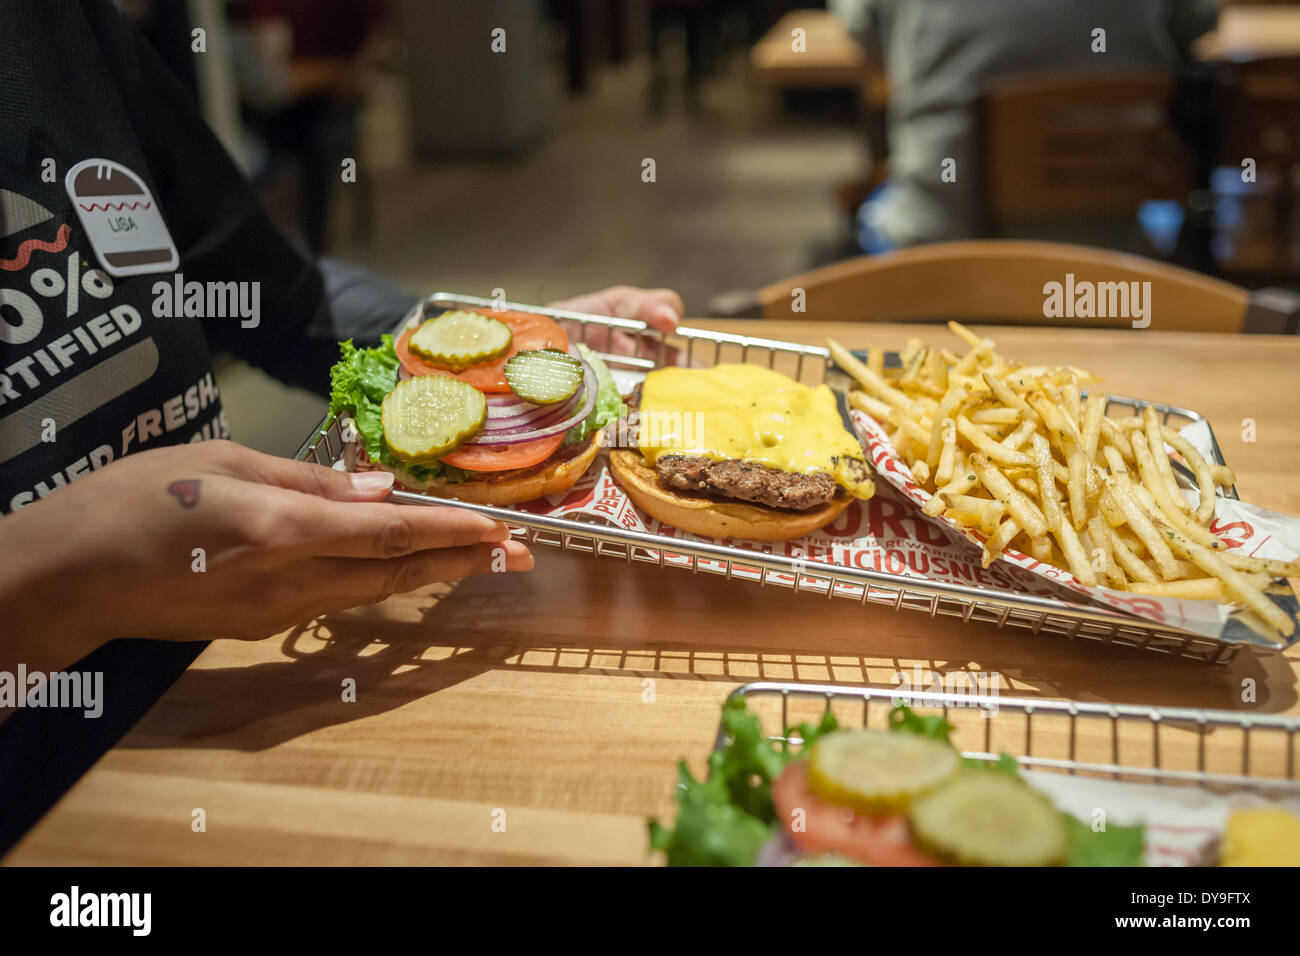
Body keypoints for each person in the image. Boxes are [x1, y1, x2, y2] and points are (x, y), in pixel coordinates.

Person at [0, 0, 682, 845]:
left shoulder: (56, 25)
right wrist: (51, 576)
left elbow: (278, 297)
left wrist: (465, 355)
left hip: (222, 708)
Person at [833, 0, 1220, 252]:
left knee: (872, 208)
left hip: (940, 245)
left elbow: (862, 30)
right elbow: (1203, 20)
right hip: (1111, 252)